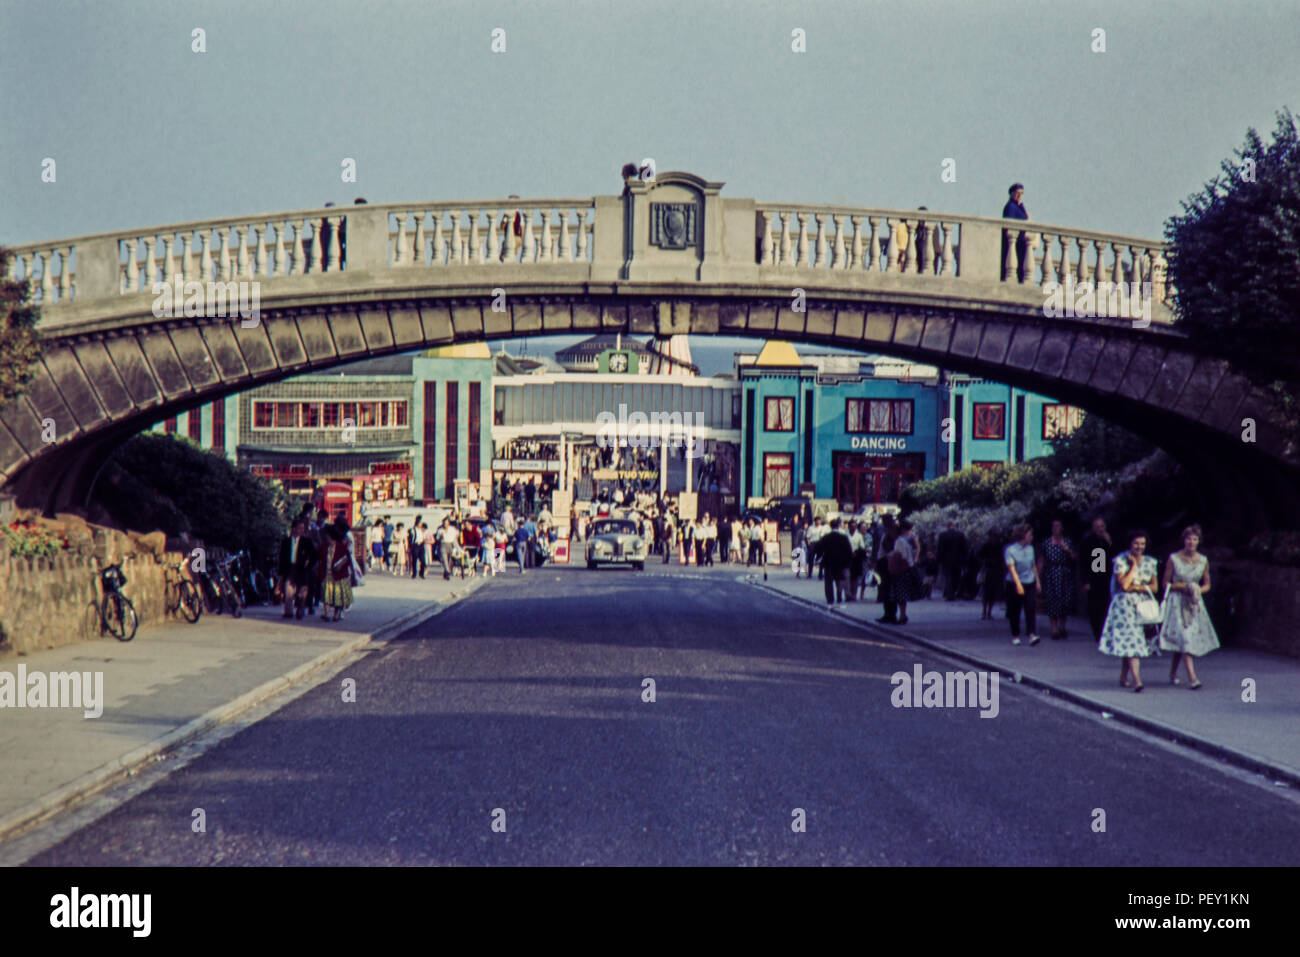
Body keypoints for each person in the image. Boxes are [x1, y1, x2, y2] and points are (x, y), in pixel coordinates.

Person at [1158, 524, 1219, 688]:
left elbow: (1207, 584)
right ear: (1183, 540)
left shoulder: (1203, 560)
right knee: (1185, 637)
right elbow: (1165, 583)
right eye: (1188, 539)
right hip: (1178, 601)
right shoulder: (1174, 558)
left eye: (1194, 539)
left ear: (1198, 541)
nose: (1191, 542)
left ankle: (1172, 673)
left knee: (1185, 639)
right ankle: (1193, 678)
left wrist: (1198, 589)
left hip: (1194, 602)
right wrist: (1183, 587)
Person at [1099, 530, 1160, 692]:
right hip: (1124, 607)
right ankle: (1137, 680)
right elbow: (1124, 585)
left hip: (1142, 606)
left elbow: (1154, 587)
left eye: (1142, 544)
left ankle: (1123, 676)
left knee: (1131, 641)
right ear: (1130, 544)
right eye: (1136, 543)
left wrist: (1137, 587)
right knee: (1134, 641)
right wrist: (1133, 567)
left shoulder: (1150, 562)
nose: (1139, 547)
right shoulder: (1120, 560)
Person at [1040, 519, 1077, 639]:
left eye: (1058, 526)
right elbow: (1041, 560)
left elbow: (1075, 558)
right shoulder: (1046, 542)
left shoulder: (1067, 541)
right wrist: (1037, 577)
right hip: (1050, 573)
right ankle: (1054, 628)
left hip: (1064, 573)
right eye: (1054, 526)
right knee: (1051, 599)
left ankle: (1062, 625)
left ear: (1062, 528)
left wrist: (1068, 550)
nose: (1056, 529)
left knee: (1065, 600)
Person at [1004, 523, 1040, 645]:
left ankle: (1031, 634)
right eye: (1030, 534)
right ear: (1023, 536)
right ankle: (1015, 635)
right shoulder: (1011, 550)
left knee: (1030, 608)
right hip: (1014, 582)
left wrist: (1037, 581)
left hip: (1029, 581)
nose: (1032, 537)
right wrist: (1018, 585)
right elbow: (1011, 568)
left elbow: (1033, 565)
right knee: (1015, 610)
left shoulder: (1031, 549)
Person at [1079, 517, 1115, 640]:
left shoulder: (1109, 540)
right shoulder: (1087, 542)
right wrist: (1085, 581)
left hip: (1107, 578)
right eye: (1097, 527)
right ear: (1093, 529)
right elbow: (1083, 562)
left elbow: (1115, 557)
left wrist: (1109, 542)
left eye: (1102, 526)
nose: (1100, 529)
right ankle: (1097, 632)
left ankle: (1106, 630)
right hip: (1093, 578)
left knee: (1106, 605)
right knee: (1094, 606)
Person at [277, 518, 318, 619]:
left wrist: (308, 565)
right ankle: (288, 611)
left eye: (303, 528)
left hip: (302, 569)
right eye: (299, 528)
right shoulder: (286, 542)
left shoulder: (306, 541)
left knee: (302, 591)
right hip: (289, 567)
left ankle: (301, 610)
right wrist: (281, 573)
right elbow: (281, 558)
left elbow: (314, 556)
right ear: (294, 528)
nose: (301, 530)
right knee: (288, 590)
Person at [889, 519, 924, 624]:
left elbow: (902, 556)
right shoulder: (904, 540)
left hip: (902, 570)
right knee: (902, 595)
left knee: (901, 595)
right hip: (908, 568)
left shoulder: (899, 541)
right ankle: (902, 615)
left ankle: (902, 616)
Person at [321, 518, 354, 622]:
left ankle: (336, 614)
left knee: (338, 597)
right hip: (327, 574)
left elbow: (347, 560)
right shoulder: (324, 547)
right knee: (327, 595)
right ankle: (326, 614)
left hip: (339, 575)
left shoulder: (342, 547)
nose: (326, 537)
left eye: (328, 536)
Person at [815, 517, 854, 605]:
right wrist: (848, 562)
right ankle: (839, 597)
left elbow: (818, 547)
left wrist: (819, 557)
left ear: (831, 527)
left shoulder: (826, 537)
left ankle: (830, 598)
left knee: (828, 582)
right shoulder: (843, 538)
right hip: (841, 563)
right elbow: (849, 551)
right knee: (839, 580)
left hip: (829, 562)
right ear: (838, 526)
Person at [1001, 182, 1030, 282]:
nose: (1019, 196)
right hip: (1016, 242)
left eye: (1021, 193)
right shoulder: (1010, 207)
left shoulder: (1019, 206)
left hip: (1021, 242)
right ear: (1012, 193)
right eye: (1017, 193)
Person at [936, 520, 968, 601]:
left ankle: (950, 594)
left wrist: (938, 560)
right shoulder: (960, 535)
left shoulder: (943, 535)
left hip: (946, 559)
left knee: (948, 576)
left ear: (947, 526)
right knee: (955, 576)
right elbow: (964, 548)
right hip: (958, 559)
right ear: (954, 525)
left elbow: (940, 548)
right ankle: (952, 592)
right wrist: (964, 559)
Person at [875, 515, 899, 623]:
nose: (882, 523)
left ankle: (891, 614)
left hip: (886, 563)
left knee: (888, 589)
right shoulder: (887, 531)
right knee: (885, 589)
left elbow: (889, 548)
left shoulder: (891, 533)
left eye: (884, 521)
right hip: (884, 562)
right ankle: (888, 614)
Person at [977, 531, 1004, 620]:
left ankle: (987, 612)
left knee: (991, 592)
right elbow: (979, 557)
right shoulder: (987, 545)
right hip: (989, 570)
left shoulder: (999, 546)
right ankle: (985, 611)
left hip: (994, 571)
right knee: (987, 592)